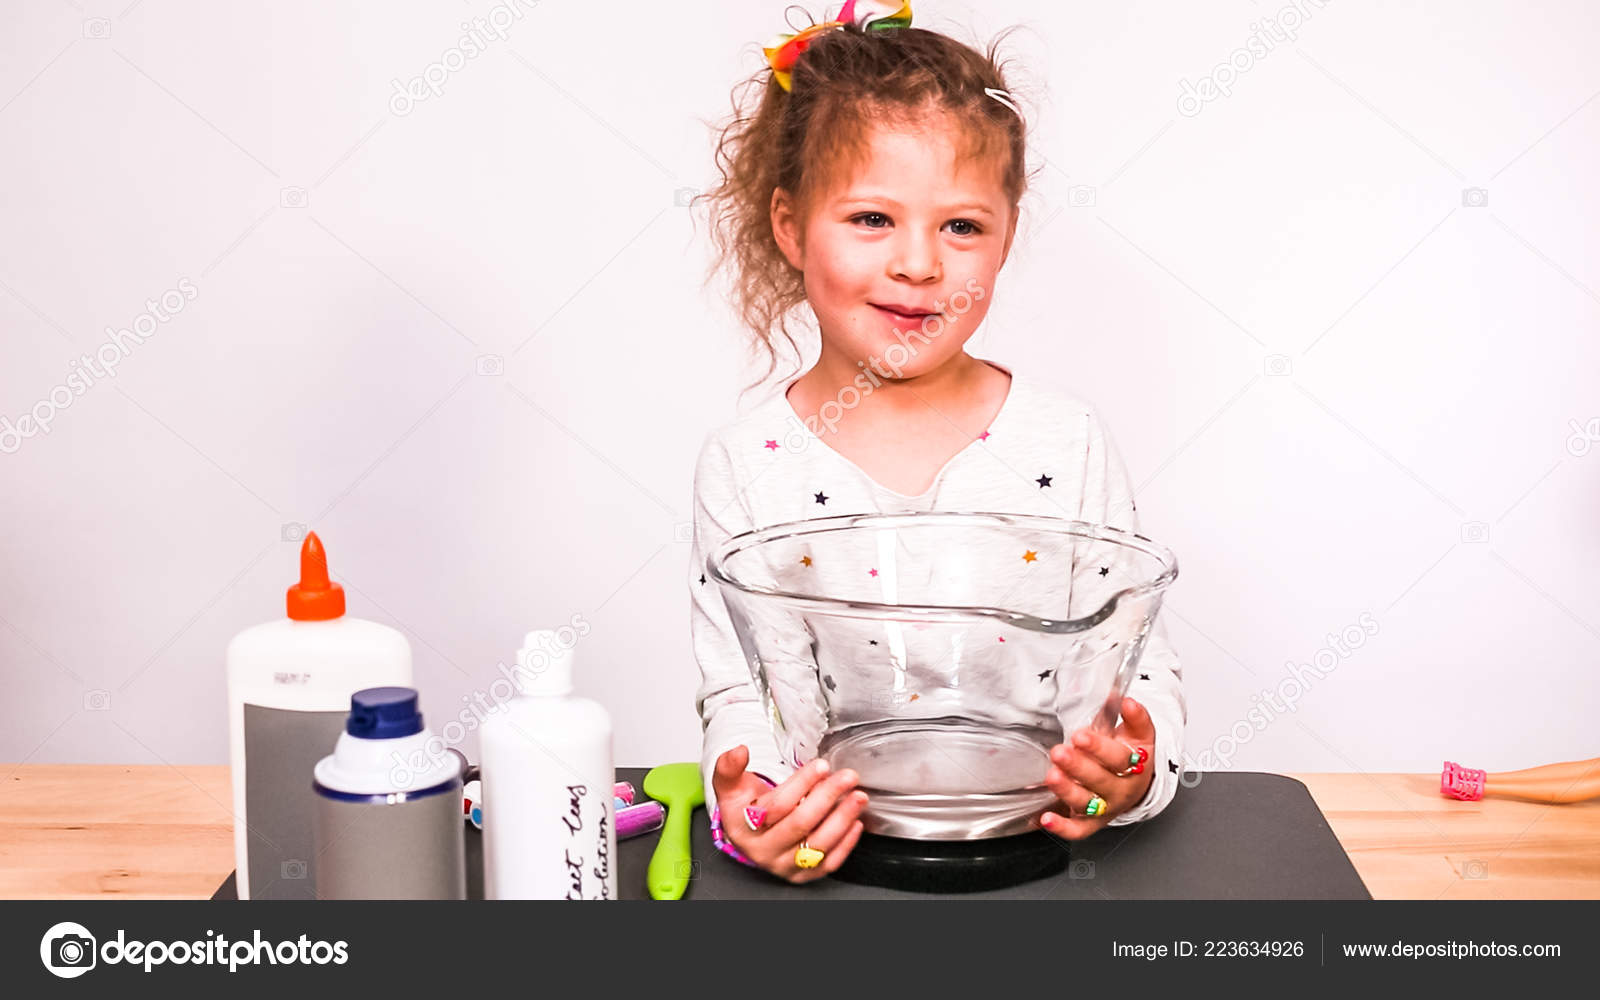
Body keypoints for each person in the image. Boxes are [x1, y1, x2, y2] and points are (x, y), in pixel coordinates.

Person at [686, 0, 1185, 884]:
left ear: (1006, 237)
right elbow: (744, 693)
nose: (920, 265)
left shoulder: (1062, 437)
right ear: (791, 227)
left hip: (1042, 862)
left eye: (961, 226)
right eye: (872, 219)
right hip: (841, 870)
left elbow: (1139, 665)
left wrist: (1132, 772)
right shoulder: (745, 465)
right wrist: (755, 805)